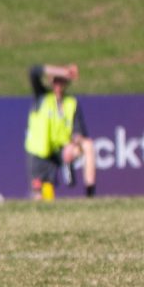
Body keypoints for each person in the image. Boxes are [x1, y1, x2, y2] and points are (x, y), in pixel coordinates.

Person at [26, 62, 96, 200]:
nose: (58, 85)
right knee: (43, 196)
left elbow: (78, 130)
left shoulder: (71, 103)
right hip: (40, 152)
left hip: (60, 151)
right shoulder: (42, 97)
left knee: (88, 145)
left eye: (62, 81)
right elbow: (33, 71)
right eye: (56, 81)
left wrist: (73, 143)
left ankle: (90, 194)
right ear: (51, 82)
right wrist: (63, 71)